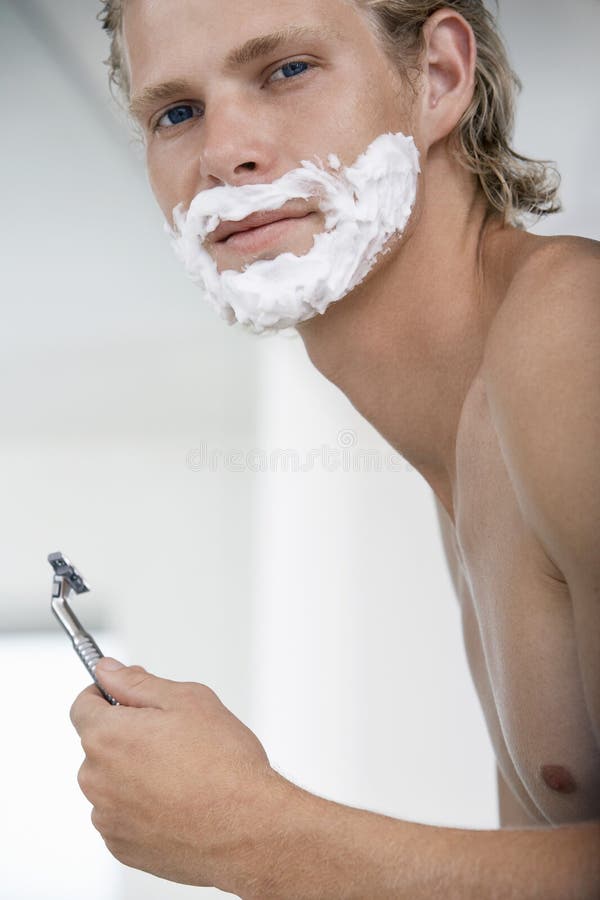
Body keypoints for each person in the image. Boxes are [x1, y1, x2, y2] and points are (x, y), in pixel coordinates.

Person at [70, 1, 600, 896]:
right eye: (176, 112)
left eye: (286, 71)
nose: (222, 152)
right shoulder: (474, 430)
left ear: (437, 78)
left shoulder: (570, 343)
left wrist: (263, 837)